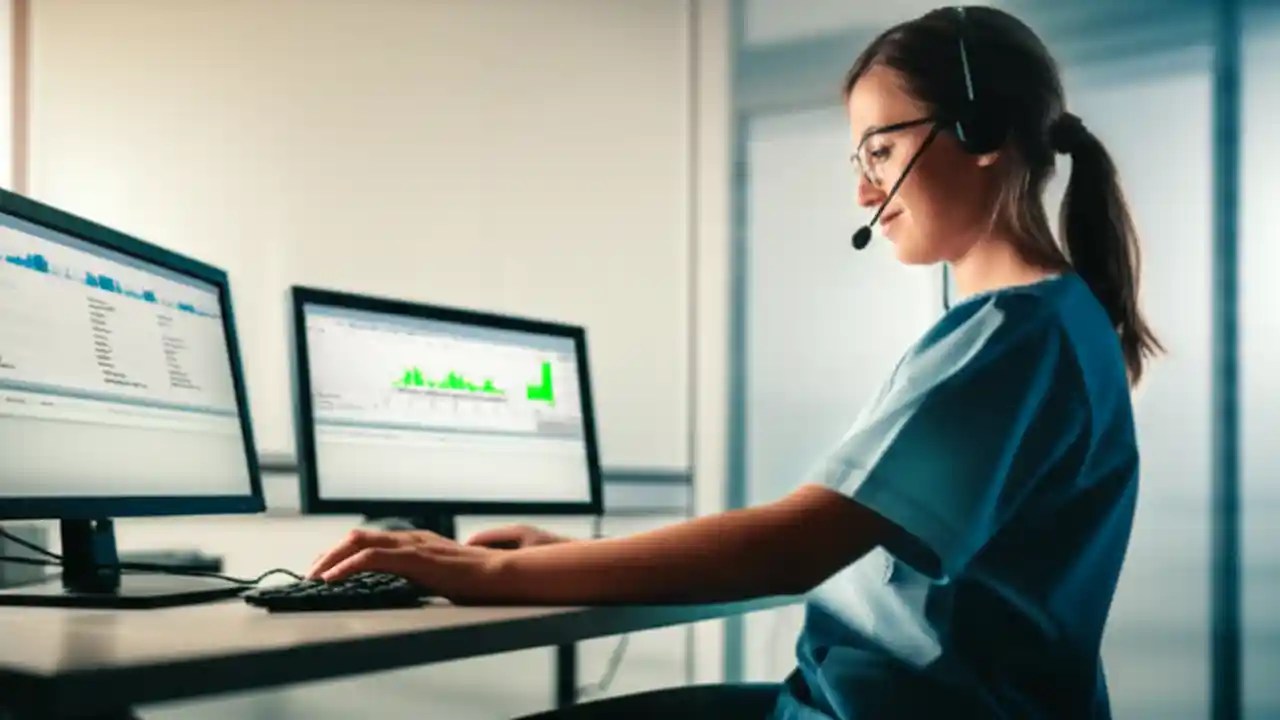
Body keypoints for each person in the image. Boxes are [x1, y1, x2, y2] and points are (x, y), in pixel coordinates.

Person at [307, 6, 1162, 718]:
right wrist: (559, 557)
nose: (865, 191)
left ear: (980, 133)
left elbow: (788, 548)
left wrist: (489, 570)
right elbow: (827, 539)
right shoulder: (1057, 320)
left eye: (882, 151)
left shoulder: (1009, 336)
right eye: (859, 158)